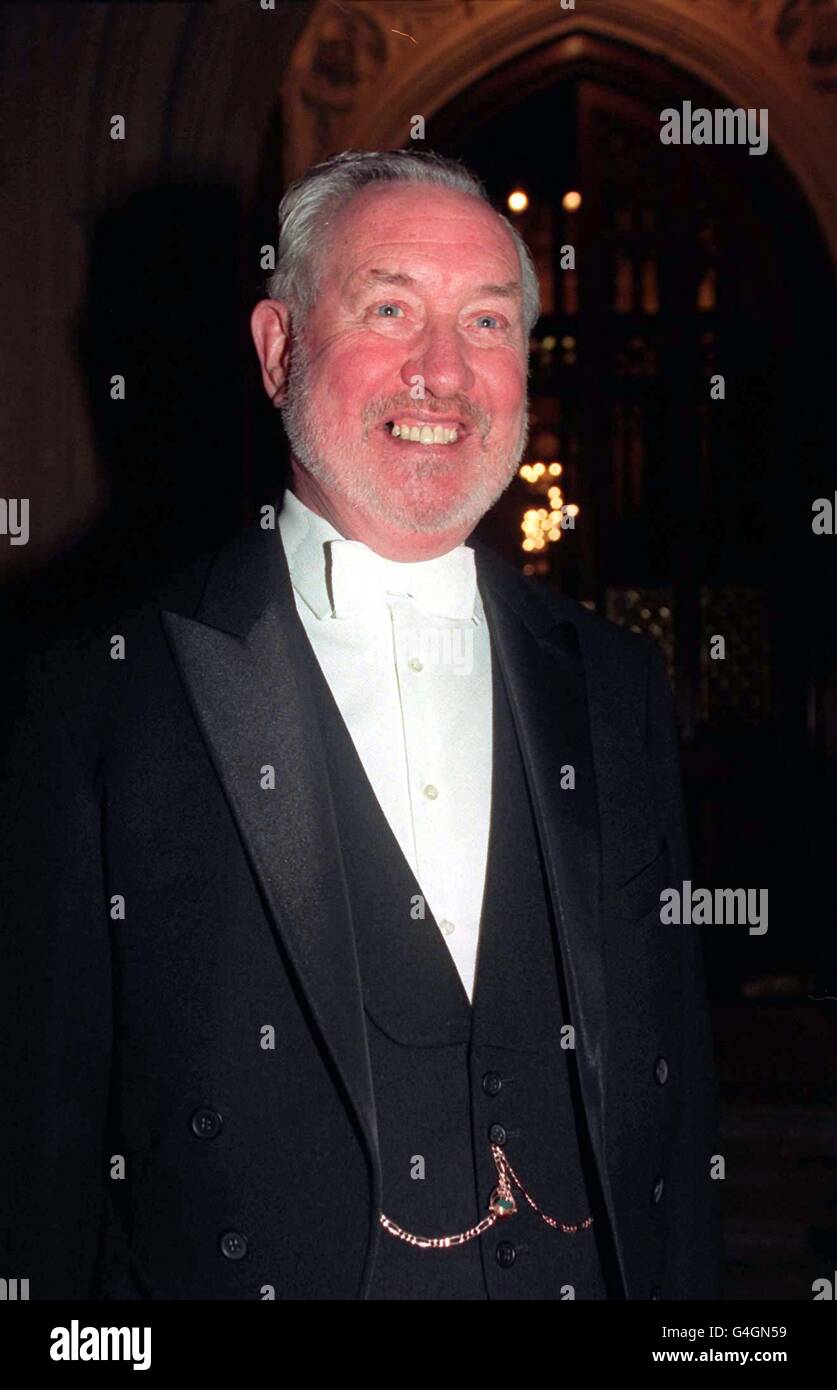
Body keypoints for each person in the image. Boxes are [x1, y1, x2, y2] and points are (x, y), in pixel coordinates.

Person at [0, 149, 721, 1300]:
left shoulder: (617, 684)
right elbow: (36, 1167)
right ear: (279, 348)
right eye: (390, 309)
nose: (444, 372)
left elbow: (676, 1135)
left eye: (487, 322)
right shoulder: (95, 694)